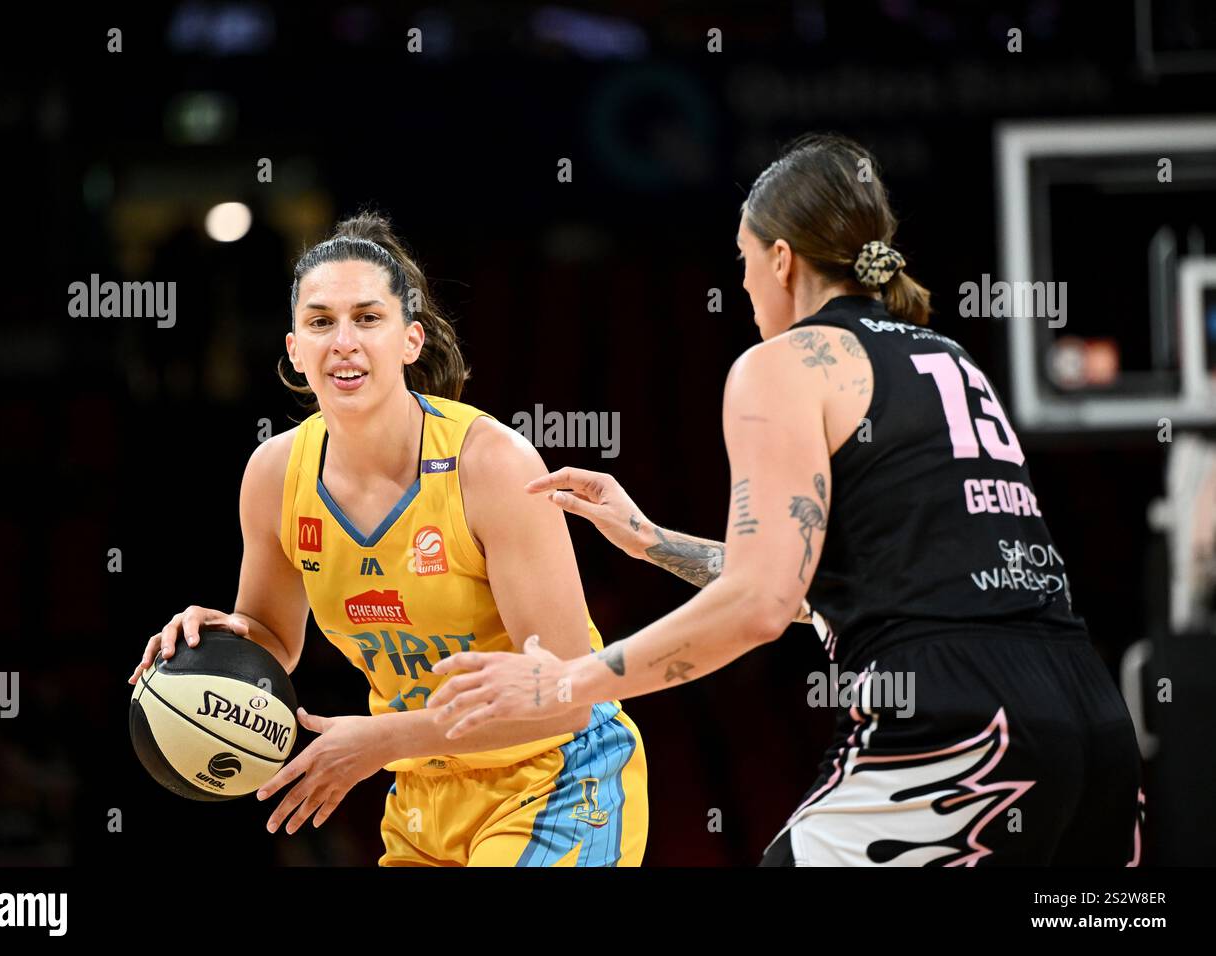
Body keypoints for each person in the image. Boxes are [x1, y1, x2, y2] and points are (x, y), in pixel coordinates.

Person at [426, 134, 1144, 866]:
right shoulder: (948, 359)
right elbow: (825, 586)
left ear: (781, 258)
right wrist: (649, 538)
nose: (741, 284)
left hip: (958, 724)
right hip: (1091, 718)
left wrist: (566, 680)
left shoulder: (784, 365)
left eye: (743, 259)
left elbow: (760, 606)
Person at [128, 211, 647, 867]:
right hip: (425, 792)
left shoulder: (491, 465)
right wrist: (219, 639)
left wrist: (378, 741)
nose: (343, 340)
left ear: (410, 340)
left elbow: (576, 695)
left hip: (558, 780)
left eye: (367, 318)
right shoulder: (274, 474)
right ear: (294, 349)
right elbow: (274, 639)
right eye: (320, 322)